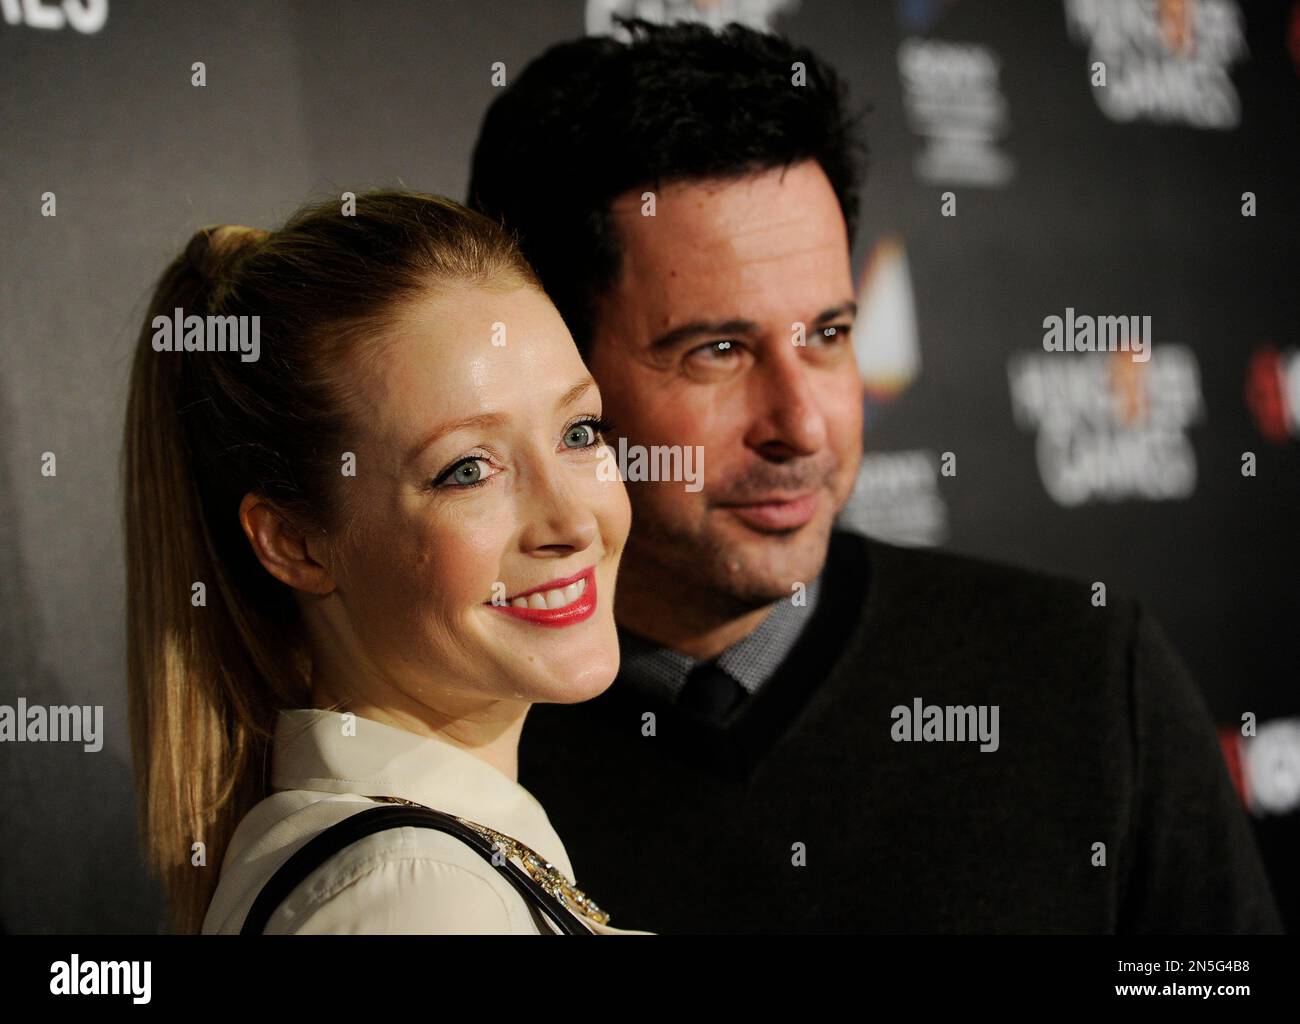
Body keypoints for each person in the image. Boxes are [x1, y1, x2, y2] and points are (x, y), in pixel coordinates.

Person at [466, 20, 1285, 933]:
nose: (803, 424)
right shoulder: (446, 763)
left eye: (829, 334)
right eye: (718, 351)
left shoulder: (1087, 680)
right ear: (553, 372)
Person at [123, 190, 647, 934]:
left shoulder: (424, 865)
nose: (572, 523)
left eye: (579, 432)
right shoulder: (418, 894)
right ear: (294, 542)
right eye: (467, 469)